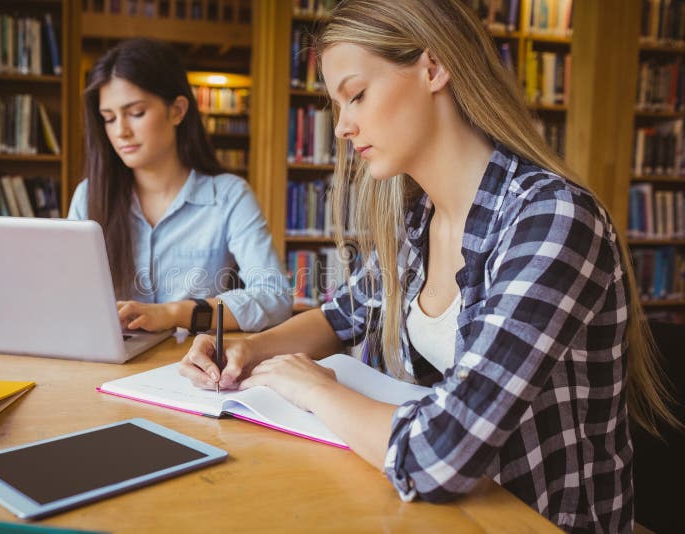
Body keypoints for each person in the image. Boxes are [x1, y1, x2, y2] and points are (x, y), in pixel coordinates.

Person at [179, 1, 680, 532]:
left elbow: (443, 453)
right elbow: (341, 315)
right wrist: (248, 350)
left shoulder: (552, 219)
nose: (345, 127)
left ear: (433, 67)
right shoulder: (417, 219)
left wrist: (313, 387)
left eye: (357, 95)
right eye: (337, 106)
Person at [69, 38, 292, 334]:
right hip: (108, 364)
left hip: (190, 366)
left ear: (177, 110)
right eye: (108, 119)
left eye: (136, 113)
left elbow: (275, 296)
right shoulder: (89, 196)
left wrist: (175, 313)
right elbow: (67, 292)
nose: (121, 131)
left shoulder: (228, 196)